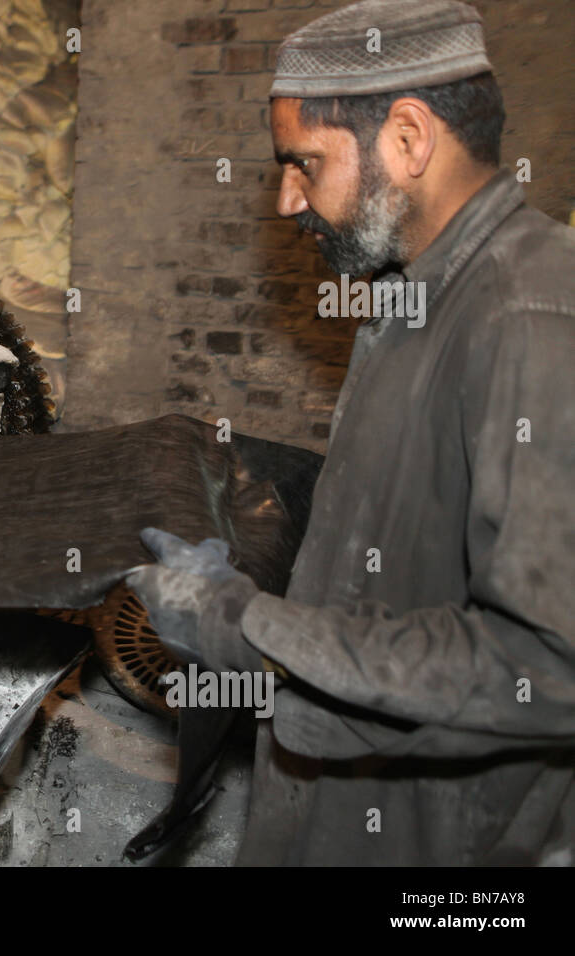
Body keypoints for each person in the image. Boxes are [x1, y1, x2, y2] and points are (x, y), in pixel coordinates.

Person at [127, 0, 575, 865]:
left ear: (408, 139)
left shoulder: (531, 317)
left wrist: (249, 627)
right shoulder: (416, 297)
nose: (288, 196)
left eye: (304, 163)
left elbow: (545, 665)